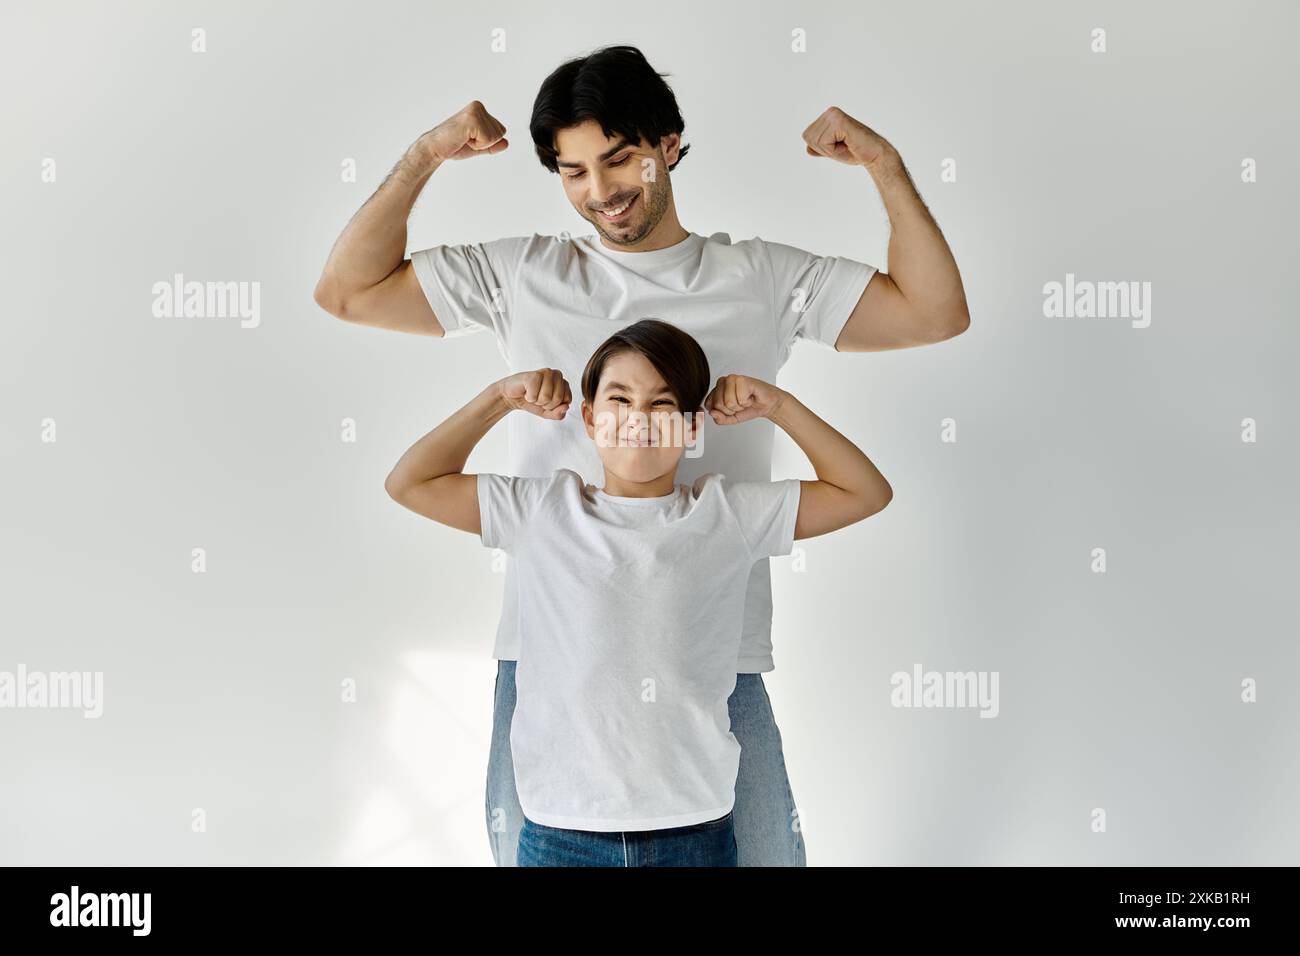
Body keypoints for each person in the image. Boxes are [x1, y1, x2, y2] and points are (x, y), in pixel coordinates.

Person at [314, 44, 969, 866]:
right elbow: (348, 292)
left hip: (713, 658)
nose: (600, 192)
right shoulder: (522, 273)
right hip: (552, 661)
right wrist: (424, 157)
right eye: (573, 171)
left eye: (619, 159)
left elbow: (934, 313)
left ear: (667, 142)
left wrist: (886, 167)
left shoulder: (756, 276)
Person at [383, 318, 892, 866]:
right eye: (620, 400)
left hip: (692, 830)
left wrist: (780, 406)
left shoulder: (727, 513)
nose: (639, 420)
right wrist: (497, 399)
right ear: (589, 417)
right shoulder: (540, 511)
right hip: (560, 830)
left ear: (692, 428)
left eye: (663, 404)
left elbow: (865, 491)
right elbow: (410, 482)